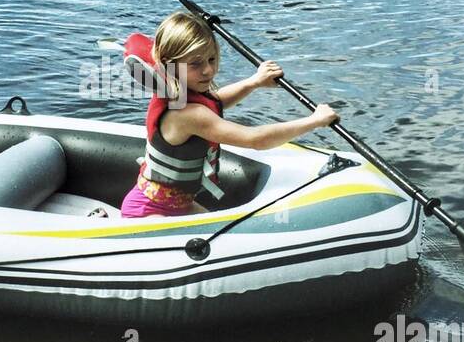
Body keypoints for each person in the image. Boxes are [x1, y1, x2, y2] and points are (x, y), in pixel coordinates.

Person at [120, 12, 338, 218]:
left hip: (175, 204)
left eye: (212, 59)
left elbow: (215, 102)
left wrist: (254, 82)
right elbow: (255, 139)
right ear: (170, 65)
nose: (208, 70)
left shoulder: (180, 96)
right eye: (196, 63)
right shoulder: (188, 115)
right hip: (148, 211)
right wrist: (314, 121)